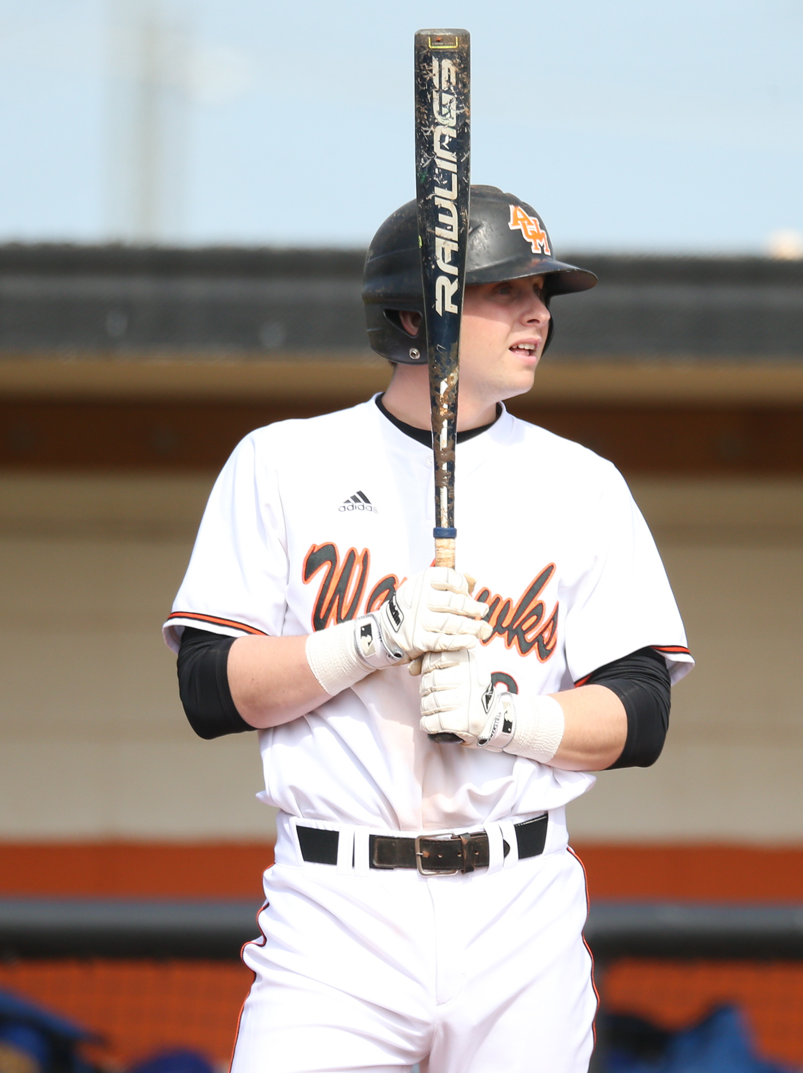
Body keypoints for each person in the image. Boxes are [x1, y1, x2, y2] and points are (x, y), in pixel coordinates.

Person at [165, 185, 692, 1073]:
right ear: (414, 314)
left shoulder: (582, 482)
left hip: (518, 903)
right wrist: (367, 641)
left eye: (541, 294)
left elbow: (641, 711)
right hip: (337, 907)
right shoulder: (284, 461)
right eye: (504, 290)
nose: (537, 313)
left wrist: (509, 717)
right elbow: (208, 689)